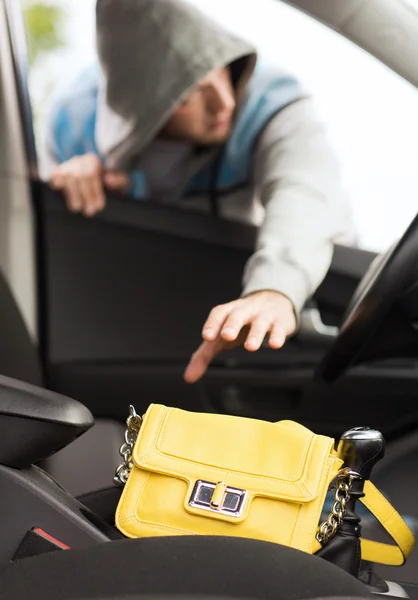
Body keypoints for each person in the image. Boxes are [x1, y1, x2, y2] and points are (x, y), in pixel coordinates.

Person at [46, 0, 355, 384]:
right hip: (144, 320)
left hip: (247, 288)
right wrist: (79, 179)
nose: (224, 100)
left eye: (221, 69)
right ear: (144, 105)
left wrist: (275, 288)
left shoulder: (271, 105)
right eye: (190, 92)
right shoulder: (74, 124)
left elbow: (307, 194)